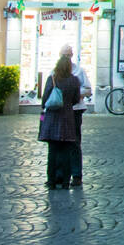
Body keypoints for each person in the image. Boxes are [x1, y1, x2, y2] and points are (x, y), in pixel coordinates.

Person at [38, 54, 79, 189]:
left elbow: (45, 100)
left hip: (52, 118)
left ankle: (51, 182)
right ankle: (66, 182)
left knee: (52, 152)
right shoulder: (74, 80)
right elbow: (76, 100)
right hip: (67, 118)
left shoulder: (52, 78)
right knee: (66, 153)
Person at [60, 43, 91, 187]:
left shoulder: (79, 71)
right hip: (60, 110)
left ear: (72, 55)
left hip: (76, 109)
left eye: (68, 54)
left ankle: (77, 175)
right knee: (59, 143)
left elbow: (88, 89)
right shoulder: (55, 72)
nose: (66, 57)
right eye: (64, 55)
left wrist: (76, 94)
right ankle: (60, 175)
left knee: (75, 142)